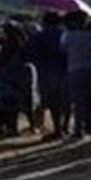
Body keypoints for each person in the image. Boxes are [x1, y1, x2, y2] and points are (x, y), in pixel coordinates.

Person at [61, 11, 91, 138]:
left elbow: (62, 49)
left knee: (78, 102)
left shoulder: (69, 36)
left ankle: (79, 130)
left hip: (74, 70)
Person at [29, 12, 68, 140]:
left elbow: (32, 53)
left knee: (52, 102)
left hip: (46, 71)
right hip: (65, 70)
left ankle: (57, 129)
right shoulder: (65, 34)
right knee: (64, 100)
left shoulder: (39, 36)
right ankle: (64, 127)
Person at [0, 21, 36, 138]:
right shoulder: (24, 42)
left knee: (10, 104)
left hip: (11, 76)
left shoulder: (8, 43)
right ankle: (32, 126)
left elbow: (1, 61)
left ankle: (11, 128)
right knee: (27, 101)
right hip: (24, 75)